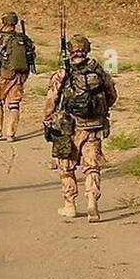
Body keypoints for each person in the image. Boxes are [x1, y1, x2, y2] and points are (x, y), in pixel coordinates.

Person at [43, 35, 117, 222]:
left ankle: (70, 205)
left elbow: (52, 99)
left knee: (66, 166)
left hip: (69, 127)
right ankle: (92, 200)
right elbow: (112, 96)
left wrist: (47, 119)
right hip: (94, 126)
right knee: (92, 166)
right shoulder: (99, 72)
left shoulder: (63, 73)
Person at [0, 12, 35, 141]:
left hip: (1, 76)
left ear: (3, 22)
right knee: (14, 104)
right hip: (19, 76)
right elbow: (31, 56)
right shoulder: (24, 39)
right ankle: (11, 133)